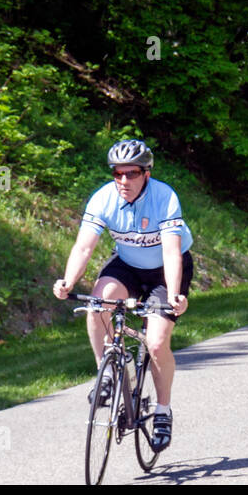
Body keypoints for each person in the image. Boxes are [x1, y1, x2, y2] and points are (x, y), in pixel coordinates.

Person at [52, 139, 193, 452]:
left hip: (164, 272)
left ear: (146, 173)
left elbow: (172, 253)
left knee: (156, 343)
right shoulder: (103, 198)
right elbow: (84, 246)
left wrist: (173, 295)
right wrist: (68, 280)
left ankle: (162, 411)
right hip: (127, 264)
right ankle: (106, 373)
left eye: (132, 173)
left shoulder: (164, 197)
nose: (124, 181)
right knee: (97, 305)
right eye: (118, 174)